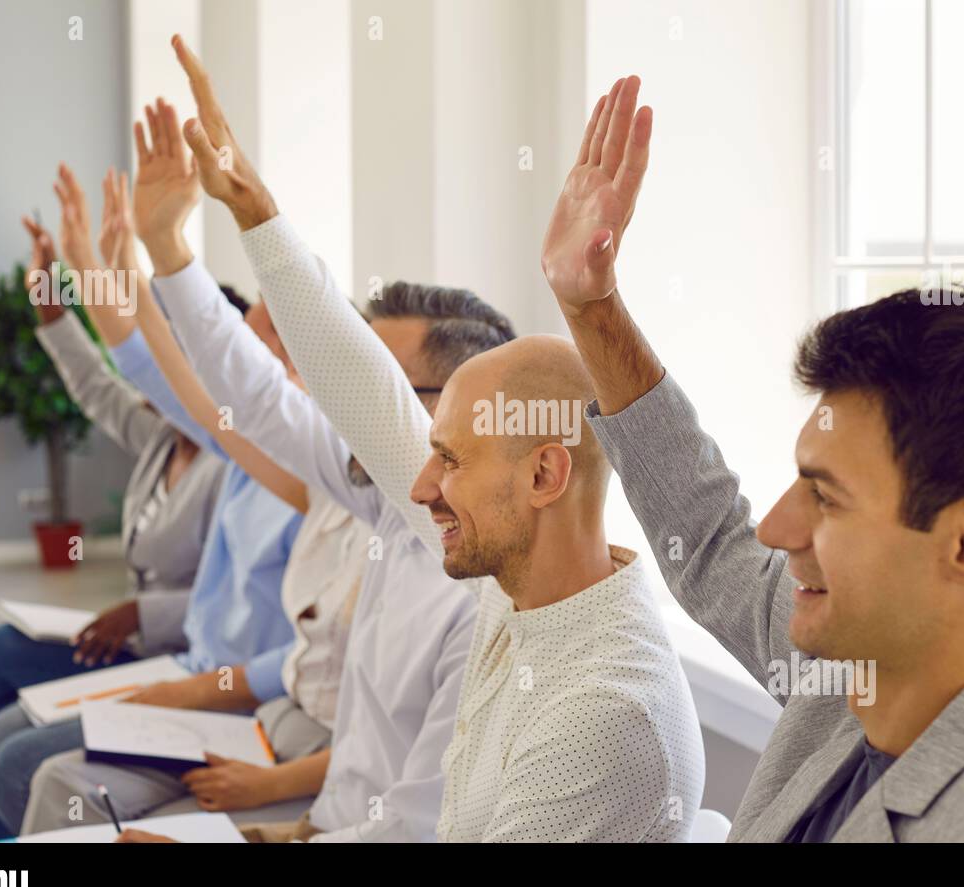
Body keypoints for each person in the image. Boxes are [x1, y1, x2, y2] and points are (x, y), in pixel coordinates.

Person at [133, 36, 705, 843]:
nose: (421, 483)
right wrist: (251, 206)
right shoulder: (517, 584)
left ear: (544, 473)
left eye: (451, 459)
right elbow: (355, 384)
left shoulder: (601, 710)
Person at [539, 75, 964, 841]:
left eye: (828, 496)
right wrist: (591, 306)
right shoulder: (869, 654)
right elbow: (712, 544)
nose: (779, 527)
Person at [39, 104, 506, 844]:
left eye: (371, 388)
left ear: (448, 410)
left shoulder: (481, 598)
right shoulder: (381, 497)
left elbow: (408, 828)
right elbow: (238, 392)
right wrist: (165, 244)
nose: (342, 404)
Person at [0, 162, 310, 838]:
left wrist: (123, 255)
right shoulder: (233, 442)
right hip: (191, 670)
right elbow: (135, 367)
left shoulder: (304, 469)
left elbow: (292, 663)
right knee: (5, 728)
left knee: (21, 760)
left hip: (229, 695)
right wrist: (104, 258)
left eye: (256, 340)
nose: (227, 356)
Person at [0, 213, 225, 842]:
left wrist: (142, 613)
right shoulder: (160, 437)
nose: (150, 367)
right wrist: (48, 287)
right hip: (139, 644)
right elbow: (91, 380)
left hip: (181, 656)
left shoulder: (240, 468)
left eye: (166, 351)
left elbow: (242, 606)